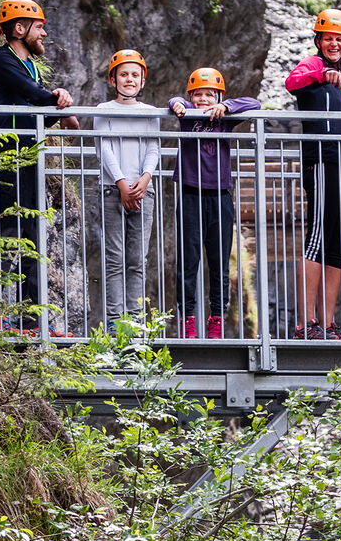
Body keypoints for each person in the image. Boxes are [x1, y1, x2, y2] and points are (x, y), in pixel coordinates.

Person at [0, 0, 74, 328]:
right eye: (39, 27)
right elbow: (34, 95)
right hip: (7, 156)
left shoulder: (30, 67)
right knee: (7, 232)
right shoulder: (0, 60)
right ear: (19, 29)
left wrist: (59, 104)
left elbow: (41, 112)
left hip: (29, 157)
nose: (44, 34)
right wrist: (59, 99)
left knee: (33, 235)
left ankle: (32, 322)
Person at [168, 67, 261, 338]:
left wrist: (227, 106)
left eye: (210, 95)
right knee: (188, 261)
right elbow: (174, 101)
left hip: (220, 196)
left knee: (219, 262)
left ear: (218, 97)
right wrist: (178, 103)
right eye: (198, 94)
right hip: (190, 195)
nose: (204, 100)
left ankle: (217, 318)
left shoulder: (224, 118)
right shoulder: (187, 114)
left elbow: (254, 104)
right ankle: (188, 318)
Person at [284, 8, 341, 339]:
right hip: (322, 161)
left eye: (339, 39)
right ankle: (306, 324)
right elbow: (292, 82)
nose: (334, 44)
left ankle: (328, 324)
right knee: (316, 240)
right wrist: (320, 75)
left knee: (336, 244)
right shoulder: (313, 65)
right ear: (318, 40)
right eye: (328, 39)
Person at [93, 49, 161, 324]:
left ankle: (134, 323)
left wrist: (144, 179)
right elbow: (104, 148)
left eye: (135, 75)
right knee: (115, 259)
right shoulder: (103, 110)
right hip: (112, 189)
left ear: (143, 80)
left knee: (137, 261)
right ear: (113, 80)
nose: (129, 79)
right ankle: (114, 322)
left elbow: (153, 147)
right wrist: (121, 183)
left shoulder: (151, 113)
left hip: (144, 191)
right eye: (123, 74)